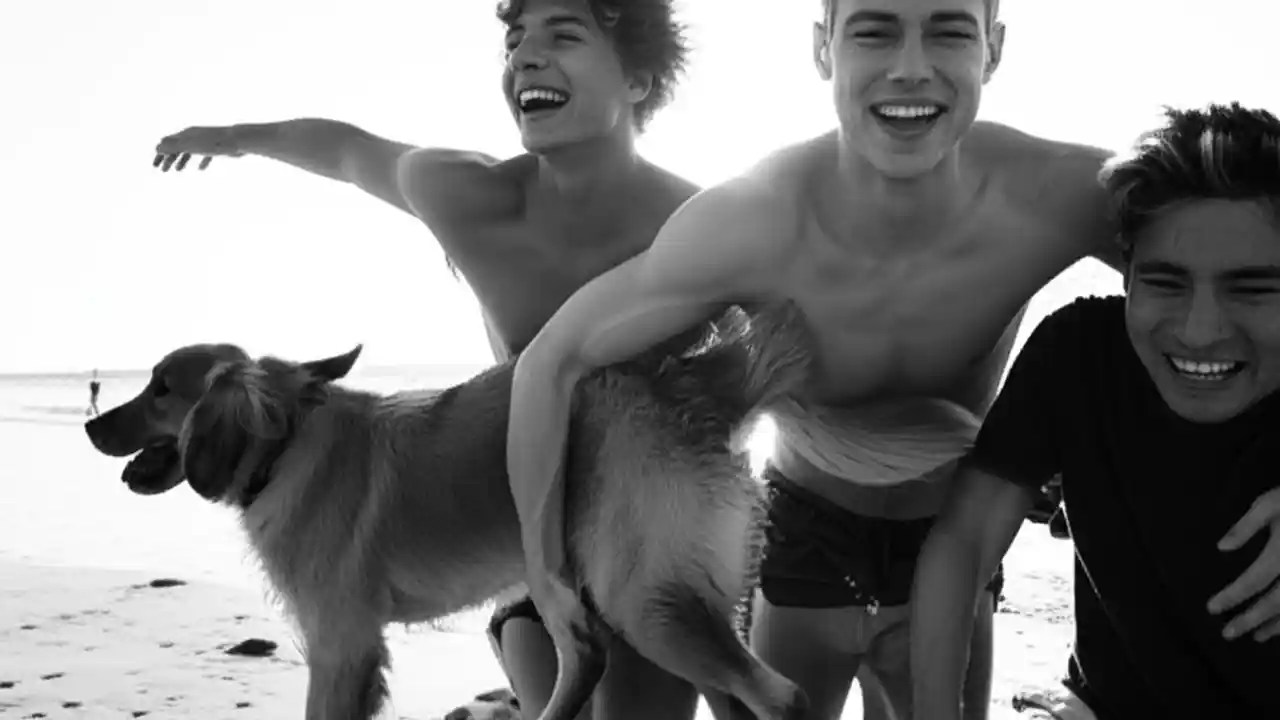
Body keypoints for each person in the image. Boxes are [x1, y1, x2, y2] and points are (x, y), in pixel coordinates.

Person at [504, 2, 1280, 719]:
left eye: (947, 31)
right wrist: (544, 573)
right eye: (874, 30)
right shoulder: (753, 221)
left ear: (993, 48)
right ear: (823, 48)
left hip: (958, 524)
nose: (910, 66)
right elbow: (552, 361)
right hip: (803, 529)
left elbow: (1235, 297)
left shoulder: (1065, 195)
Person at [150, 2, 711, 717]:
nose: (525, 58)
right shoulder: (472, 198)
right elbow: (351, 153)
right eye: (515, 41)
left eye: (562, 36)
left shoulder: (699, 230)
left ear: (638, 79)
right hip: (519, 549)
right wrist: (235, 137)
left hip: (649, 533)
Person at [910, 102, 1280, 719]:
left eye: (1252, 288)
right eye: (1166, 282)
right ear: (1126, 275)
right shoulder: (1079, 356)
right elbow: (966, 541)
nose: (1201, 330)